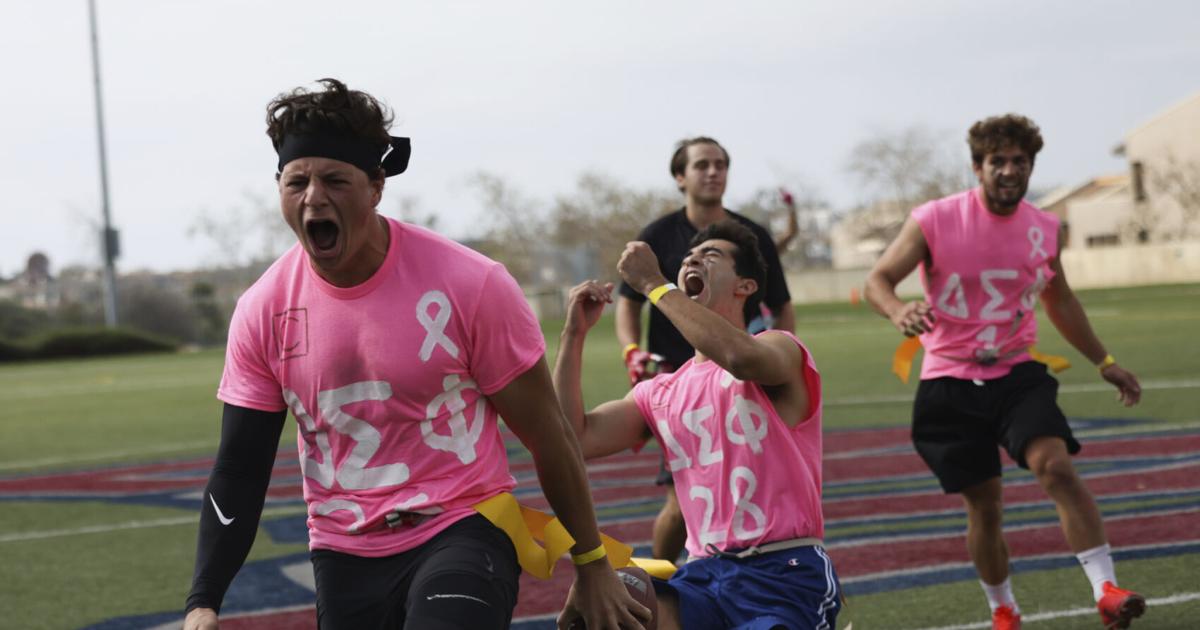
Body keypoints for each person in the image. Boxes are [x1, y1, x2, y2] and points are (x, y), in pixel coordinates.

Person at [183, 78, 650, 630]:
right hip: (341, 548)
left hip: (464, 526)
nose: (313, 197)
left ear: (377, 186)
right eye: (297, 181)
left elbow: (549, 435)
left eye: (334, 179)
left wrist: (593, 563)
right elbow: (240, 466)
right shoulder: (263, 308)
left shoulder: (469, 283)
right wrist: (203, 602)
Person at [863, 114, 1146, 630]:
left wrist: (1105, 362)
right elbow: (878, 279)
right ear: (978, 167)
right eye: (998, 161)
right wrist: (898, 310)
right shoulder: (935, 218)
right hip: (948, 379)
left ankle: (1105, 588)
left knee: (1055, 467)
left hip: (1016, 373)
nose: (1010, 170)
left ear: (1031, 166)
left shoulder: (1044, 229)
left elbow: (1060, 300)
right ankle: (1004, 610)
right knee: (985, 508)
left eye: (1020, 161)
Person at [556, 220, 840, 630]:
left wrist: (655, 284)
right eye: (690, 255)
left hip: (784, 572)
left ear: (744, 286)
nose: (693, 258)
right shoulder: (661, 391)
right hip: (703, 577)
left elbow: (739, 359)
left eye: (711, 255)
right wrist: (573, 335)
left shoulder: (778, 347)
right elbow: (573, 439)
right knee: (610, 599)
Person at [615, 137, 795, 564]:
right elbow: (628, 304)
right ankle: (664, 581)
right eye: (701, 165)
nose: (713, 172)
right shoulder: (658, 234)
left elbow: (782, 307)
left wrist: (780, 358)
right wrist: (632, 351)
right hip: (679, 381)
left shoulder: (752, 237)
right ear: (681, 177)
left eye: (720, 164)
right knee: (681, 502)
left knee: (761, 483)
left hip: (743, 377)